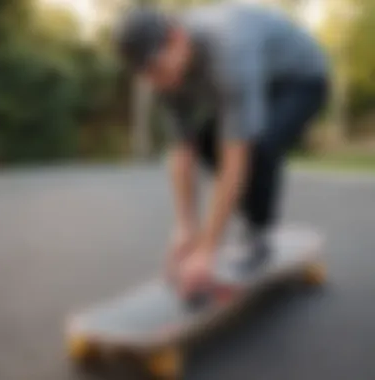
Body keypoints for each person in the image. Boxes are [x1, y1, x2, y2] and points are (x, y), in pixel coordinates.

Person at [114, 2, 330, 298]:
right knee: (207, 142)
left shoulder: (229, 49)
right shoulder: (164, 76)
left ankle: (258, 234)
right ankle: (251, 209)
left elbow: (235, 156)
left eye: (157, 69)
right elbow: (181, 151)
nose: (156, 81)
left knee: (258, 146)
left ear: (177, 38)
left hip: (301, 78)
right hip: (258, 77)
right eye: (146, 75)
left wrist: (208, 249)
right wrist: (186, 228)